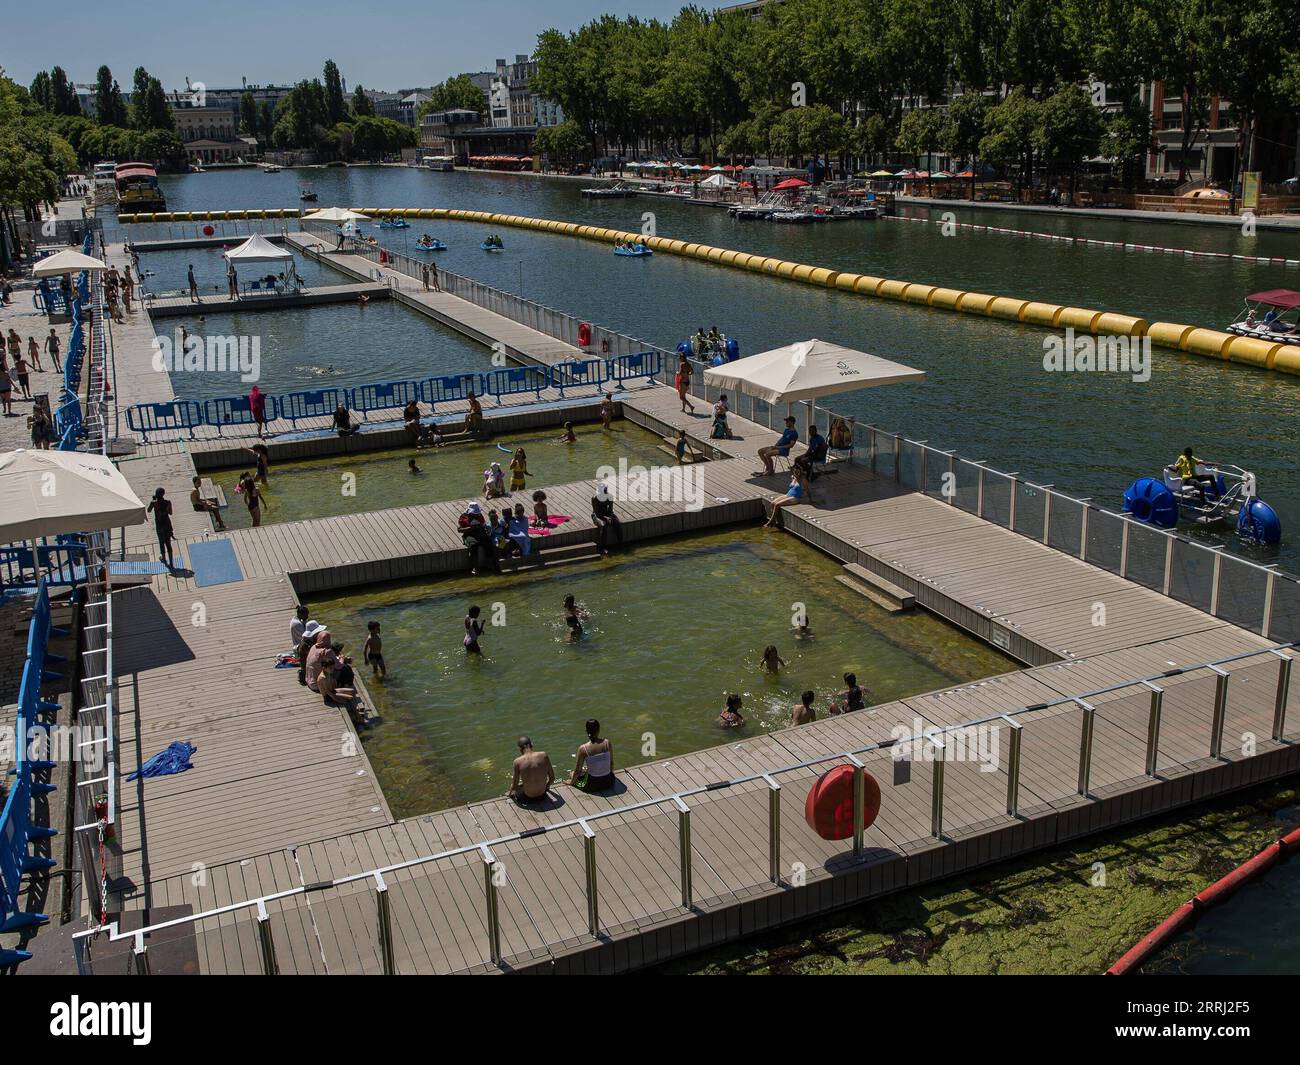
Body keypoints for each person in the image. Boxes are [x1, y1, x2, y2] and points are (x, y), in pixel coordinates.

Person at [568, 719, 614, 791]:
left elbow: (577, 771)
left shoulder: (583, 748)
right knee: (585, 771)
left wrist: (571, 782)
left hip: (593, 785)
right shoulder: (607, 743)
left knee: (572, 773)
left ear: (586, 731)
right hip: (609, 781)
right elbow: (611, 764)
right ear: (598, 730)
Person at [507, 737, 555, 805]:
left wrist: (510, 794)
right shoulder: (544, 755)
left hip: (528, 798)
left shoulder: (517, 762)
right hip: (542, 796)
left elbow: (514, 786)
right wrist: (546, 787)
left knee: (514, 786)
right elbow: (552, 778)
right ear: (531, 744)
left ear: (520, 749)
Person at [765, 457, 811, 528]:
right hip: (788, 495)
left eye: (798, 472)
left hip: (795, 497)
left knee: (777, 505)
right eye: (795, 472)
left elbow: (807, 490)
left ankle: (772, 521)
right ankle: (775, 520)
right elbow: (792, 472)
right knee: (772, 503)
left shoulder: (803, 479)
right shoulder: (793, 477)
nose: (796, 474)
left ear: (801, 471)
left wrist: (810, 499)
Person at [147, 487, 175, 569]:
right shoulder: (168, 502)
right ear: (163, 494)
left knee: (161, 542)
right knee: (168, 543)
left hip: (159, 526)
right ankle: (171, 563)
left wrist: (153, 500)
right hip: (167, 524)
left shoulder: (154, 503)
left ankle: (164, 558)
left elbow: (148, 510)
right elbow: (171, 513)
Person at [591, 482, 622, 554]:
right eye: (604, 490)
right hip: (597, 516)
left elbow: (610, 510)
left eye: (606, 490)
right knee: (603, 526)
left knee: (618, 523)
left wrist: (610, 517)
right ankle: (603, 548)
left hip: (607, 514)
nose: (605, 491)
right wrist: (606, 518)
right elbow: (597, 513)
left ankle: (620, 543)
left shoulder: (610, 496)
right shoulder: (595, 498)